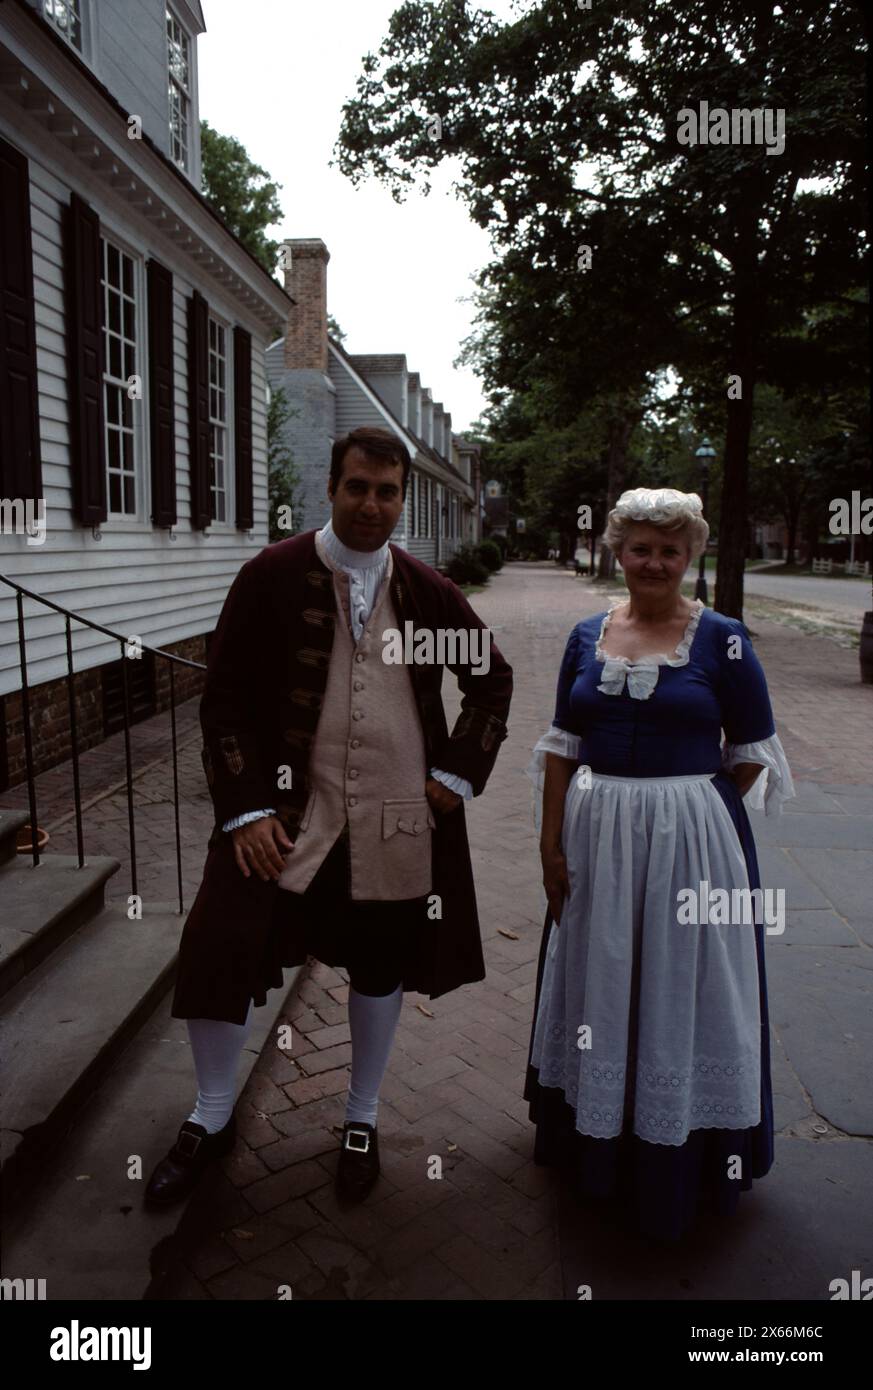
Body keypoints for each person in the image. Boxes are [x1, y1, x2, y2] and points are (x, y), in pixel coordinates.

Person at [144, 427, 512, 1207]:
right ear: (331, 488)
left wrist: (455, 771)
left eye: (386, 492)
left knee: (379, 968)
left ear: (401, 498)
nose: (370, 505)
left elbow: (491, 681)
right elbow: (225, 703)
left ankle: (361, 1118)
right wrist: (243, 810)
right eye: (357, 488)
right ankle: (210, 1118)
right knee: (218, 954)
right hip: (280, 821)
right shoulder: (270, 576)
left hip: (393, 824)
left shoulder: (424, 590)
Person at [523, 487, 795, 1242]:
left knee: (682, 983)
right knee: (603, 980)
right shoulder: (586, 635)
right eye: (639, 547)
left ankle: (688, 1154)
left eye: (668, 550)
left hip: (690, 844)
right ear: (617, 551)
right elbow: (559, 746)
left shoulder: (723, 641)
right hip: (596, 838)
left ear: (689, 556)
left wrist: (687, 811)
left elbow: (748, 752)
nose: (653, 562)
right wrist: (550, 844)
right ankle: (596, 1141)